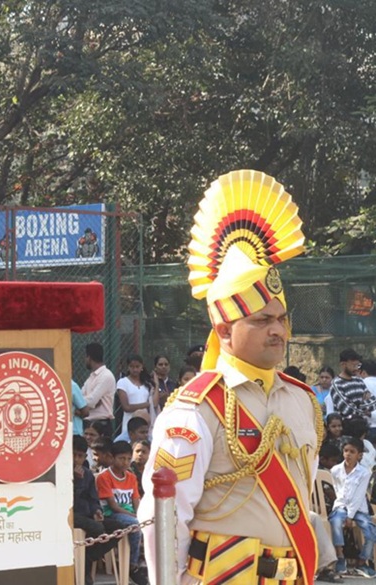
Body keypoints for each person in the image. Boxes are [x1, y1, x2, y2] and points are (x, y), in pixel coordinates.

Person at [138, 170, 322, 584]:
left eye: (281, 318)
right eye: (261, 320)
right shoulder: (194, 409)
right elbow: (164, 515)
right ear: (224, 330)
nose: (278, 330)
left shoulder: (302, 399)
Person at [96, 441, 146, 585]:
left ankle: (146, 564)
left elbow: (136, 500)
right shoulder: (104, 477)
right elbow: (113, 506)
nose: (125, 462)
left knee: (149, 523)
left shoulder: (131, 477)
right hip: (111, 514)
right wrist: (136, 517)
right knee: (135, 525)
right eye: (121, 458)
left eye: (128, 459)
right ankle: (132, 565)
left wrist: (141, 514)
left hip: (130, 514)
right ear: (112, 458)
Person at [71, 435, 117, 585]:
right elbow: (71, 501)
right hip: (72, 515)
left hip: (88, 515)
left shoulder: (88, 474)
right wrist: (76, 480)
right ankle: (83, 571)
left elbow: (93, 498)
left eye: (80, 456)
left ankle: (87, 557)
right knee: (97, 528)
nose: (76, 459)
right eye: (74, 455)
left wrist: (97, 511)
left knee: (120, 527)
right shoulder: (63, 473)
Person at [328, 437, 376, 576]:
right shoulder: (336, 470)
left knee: (370, 532)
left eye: (352, 452)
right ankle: (340, 556)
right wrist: (342, 508)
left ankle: (361, 563)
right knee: (335, 521)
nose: (348, 454)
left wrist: (349, 516)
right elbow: (338, 489)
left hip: (358, 508)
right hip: (342, 505)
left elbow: (359, 496)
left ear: (359, 455)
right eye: (346, 451)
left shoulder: (364, 473)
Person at [330, 348, 373, 427]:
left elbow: (373, 402)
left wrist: (356, 405)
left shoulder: (359, 381)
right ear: (343, 365)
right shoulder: (336, 384)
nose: (356, 368)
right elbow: (348, 410)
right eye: (354, 365)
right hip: (347, 430)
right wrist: (364, 406)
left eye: (358, 365)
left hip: (363, 429)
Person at [115, 354, 152, 440]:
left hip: (145, 423)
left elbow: (153, 402)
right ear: (128, 367)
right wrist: (146, 404)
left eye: (137, 366)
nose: (135, 369)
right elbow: (126, 407)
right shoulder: (123, 382)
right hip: (129, 423)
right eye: (132, 366)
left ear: (142, 367)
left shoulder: (146, 384)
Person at [83, 343, 116, 423]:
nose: (85, 360)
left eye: (86, 357)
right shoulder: (91, 377)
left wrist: (81, 404)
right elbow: (82, 396)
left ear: (89, 358)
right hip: (89, 422)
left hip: (102, 423)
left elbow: (92, 400)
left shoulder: (106, 375)